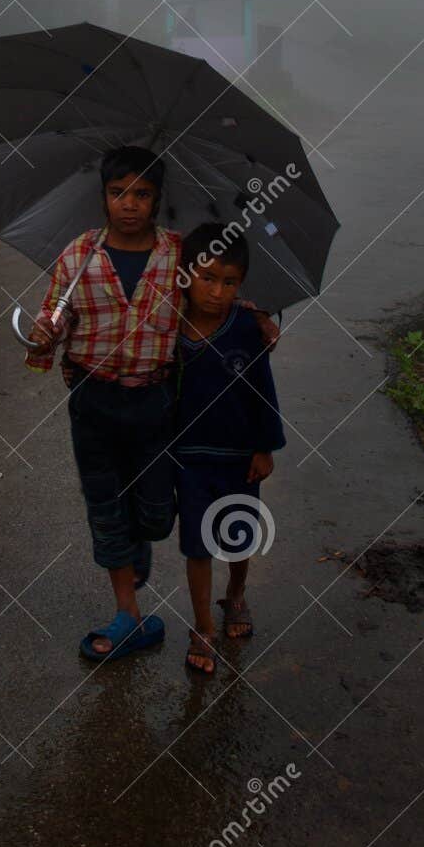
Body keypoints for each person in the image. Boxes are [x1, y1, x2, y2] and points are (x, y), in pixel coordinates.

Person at [24, 146, 280, 662]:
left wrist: (254, 316)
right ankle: (129, 615)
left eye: (141, 194)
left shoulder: (178, 255)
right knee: (106, 507)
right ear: (103, 197)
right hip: (93, 401)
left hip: (156, 405)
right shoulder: (78, 255)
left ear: (157, 200)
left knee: (158, 514)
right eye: (118, 192)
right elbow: (55, 315)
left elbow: (214, 293)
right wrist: (43, 335)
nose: (129, 204)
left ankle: (137, 542)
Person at [172, 222, 286, 676]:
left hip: (240, 457)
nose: (217, 292)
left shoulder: (244, 328)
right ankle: (203, 626)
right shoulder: (168, 325)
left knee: (238, 535)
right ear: (185, 275)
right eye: (207, 278)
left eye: (229, 282)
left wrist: (265, 447)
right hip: (188, 458)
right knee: (197, 546)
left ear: (241, 285)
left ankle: (236, 593)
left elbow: (263, 390)